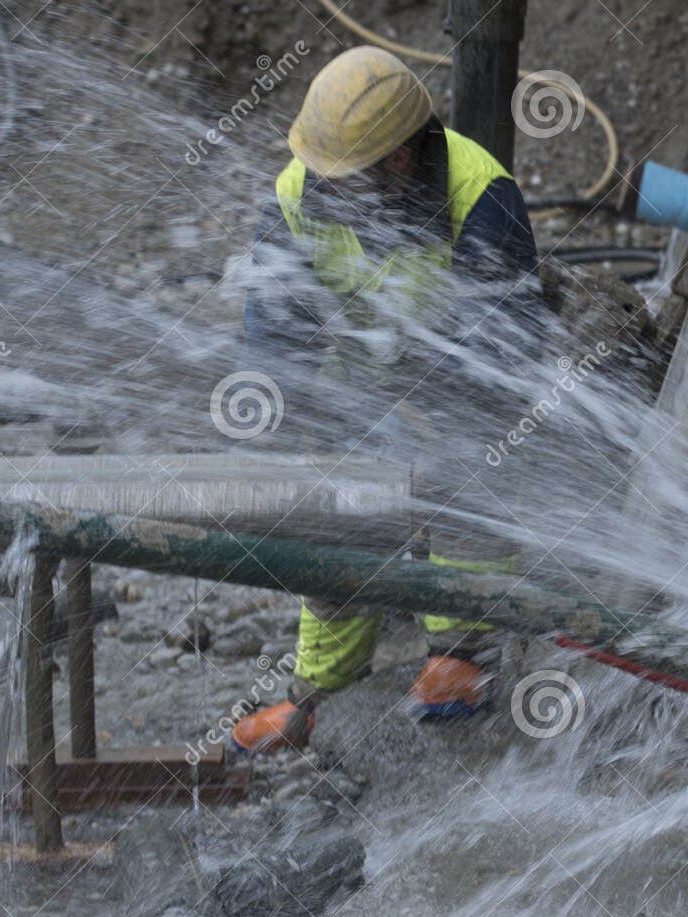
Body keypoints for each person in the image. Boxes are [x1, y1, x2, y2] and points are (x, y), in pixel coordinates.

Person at [230, 46, 538, 753]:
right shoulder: (294, 193)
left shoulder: (481, 193)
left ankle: (460, 652)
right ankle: (317, 692)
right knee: (333, 515)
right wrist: (287, 417)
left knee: (472, 469)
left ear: (399, 160)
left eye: (343, 178)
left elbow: (501, 353)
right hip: (357, 391)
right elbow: (276, 339)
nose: (323, 186)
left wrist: (425, 415)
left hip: (461, 393)